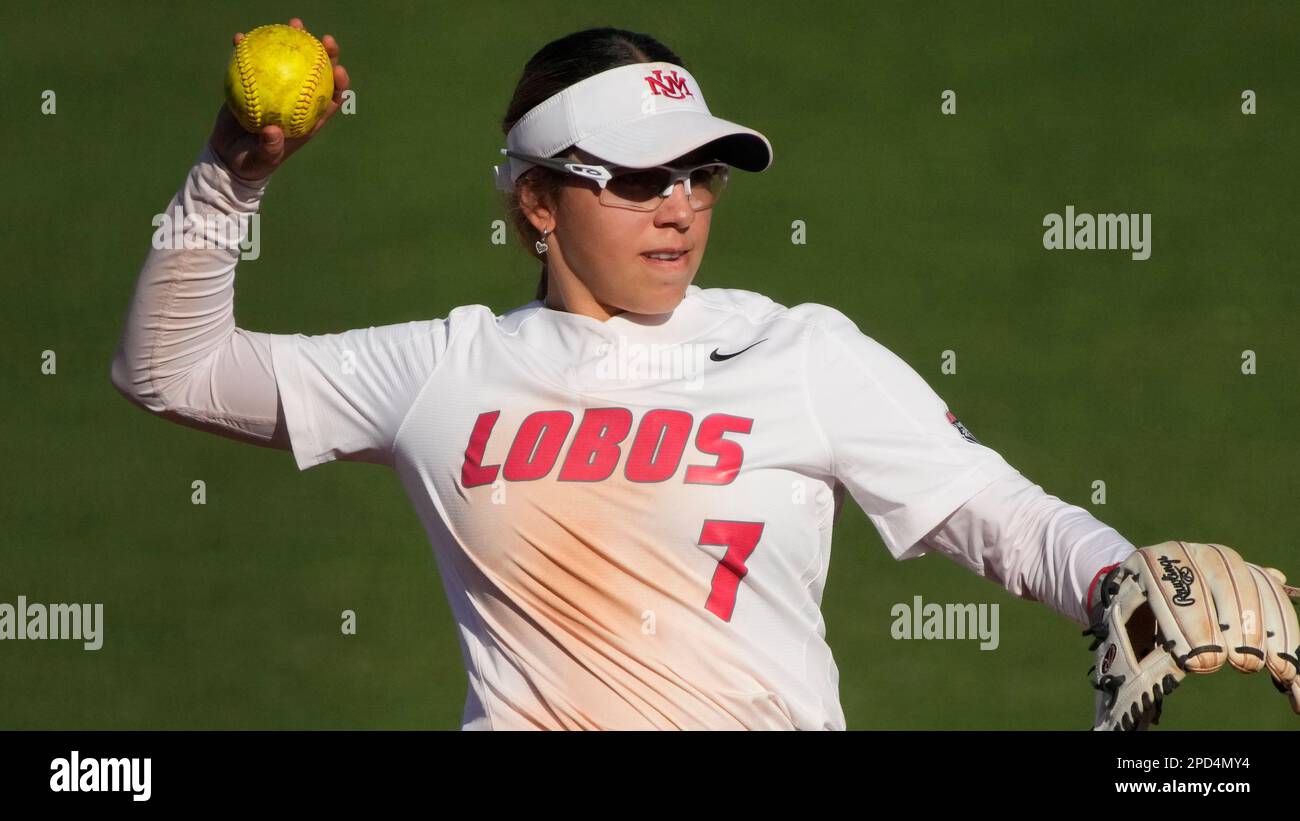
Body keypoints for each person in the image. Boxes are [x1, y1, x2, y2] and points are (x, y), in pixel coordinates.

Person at [111, 22, 1298, 730]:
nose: (678, 208)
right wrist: (232, 170)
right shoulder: (445, 368)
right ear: (536, 200)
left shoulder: (803, 351)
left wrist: (1116, 577)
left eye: (701, 177)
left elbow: (996, 515)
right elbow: (170, 370)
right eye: (635, 179)